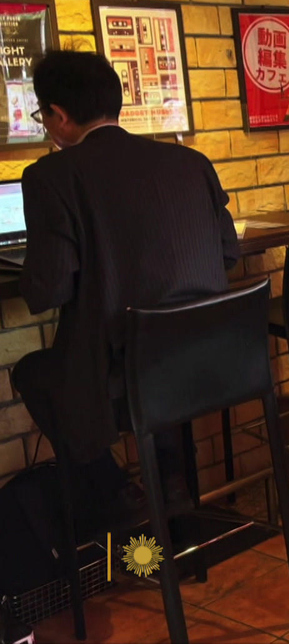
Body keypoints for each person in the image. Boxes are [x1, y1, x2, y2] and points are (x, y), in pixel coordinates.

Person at [12, 51, 239, 527]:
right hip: (216, 363)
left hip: (127, 375)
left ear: (59, 115)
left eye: (44, 116)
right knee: (157, 359)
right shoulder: (190, 162)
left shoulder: (51, 176)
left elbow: (48, 290)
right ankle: (172, 482)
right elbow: (228, 252)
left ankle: (115, 495)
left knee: (35, 374)